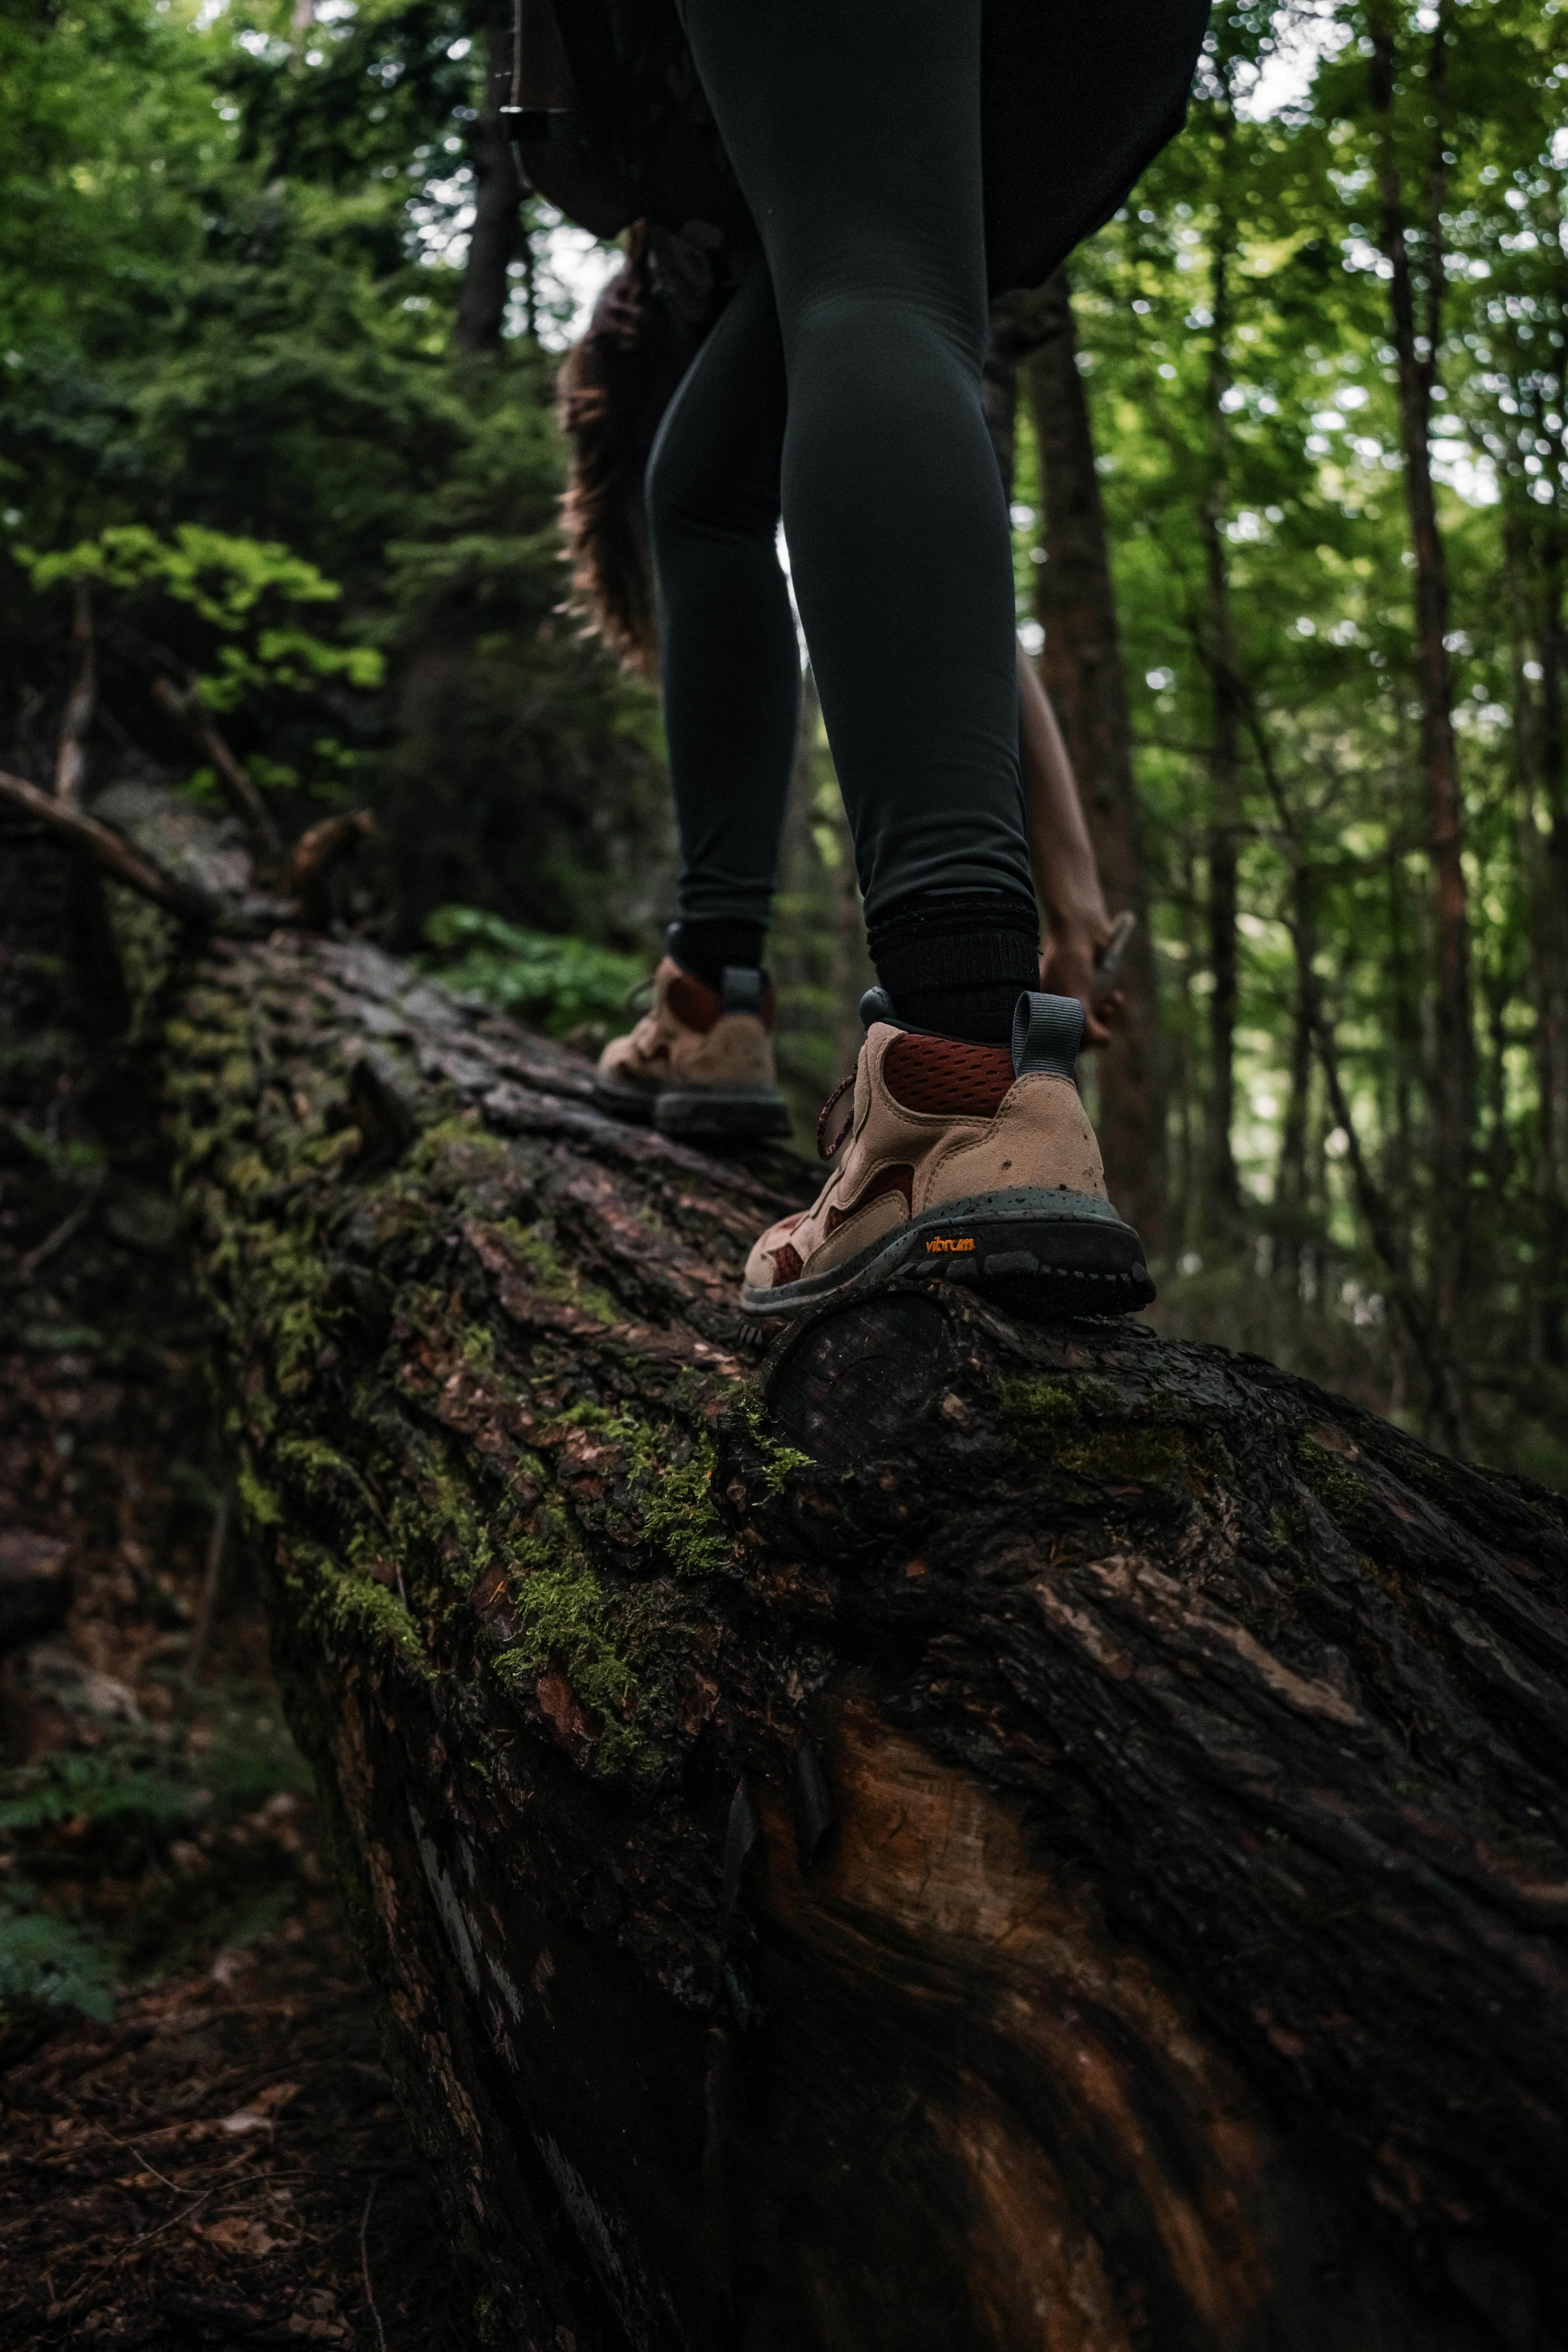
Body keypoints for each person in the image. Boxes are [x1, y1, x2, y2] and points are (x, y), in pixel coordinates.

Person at [515, 0, 1208, 1317]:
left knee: (861, 301)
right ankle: (718, 997)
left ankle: (957, 1074)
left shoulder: (684, 248)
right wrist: (1064, 881)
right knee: (714, 473)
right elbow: (933, 603)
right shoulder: (770, 240)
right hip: (1090, 67)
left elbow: (904, 546)